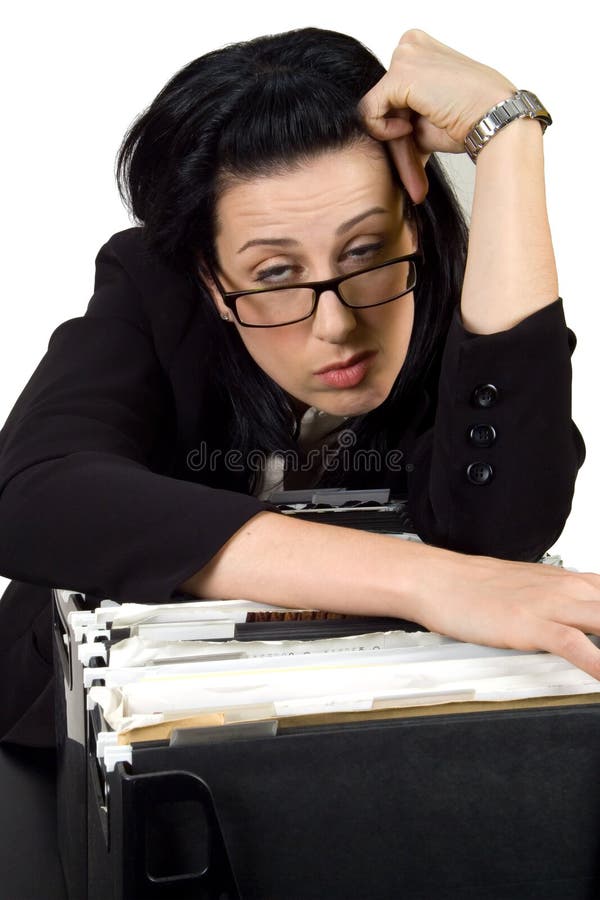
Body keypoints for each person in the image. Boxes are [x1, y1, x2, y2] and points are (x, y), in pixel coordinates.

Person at [0, 26, 598, 748]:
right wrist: (425, 579)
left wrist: (509, 139)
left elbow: (504, 531)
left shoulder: (466, 294)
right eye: (276, 275)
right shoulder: (153, 289)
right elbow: (35, 494)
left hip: (383, 751)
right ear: (210, 279)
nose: (336, 326)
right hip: (78, 749)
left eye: (367, 252)